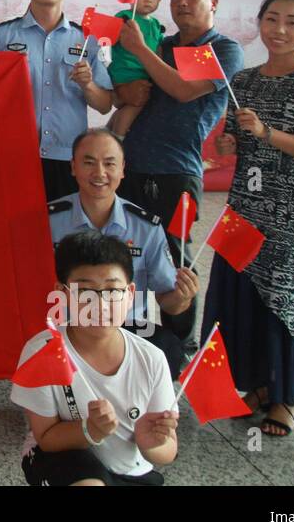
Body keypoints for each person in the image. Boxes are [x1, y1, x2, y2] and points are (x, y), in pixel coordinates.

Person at [203, 0, 294, 437]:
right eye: (272, 20)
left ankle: (285, 396)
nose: (280, 30)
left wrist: (265, 132)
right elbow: (233, 142)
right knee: (243, 299)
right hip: (245, 207)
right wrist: (230, 143)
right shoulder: (242, 81)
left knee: (285, 301)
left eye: (292, 22)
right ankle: (256, 386)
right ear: (260, 23)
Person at [117, 0, 243, 353]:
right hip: (132, 163)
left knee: (174, 256)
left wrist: (141, 50)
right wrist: (128, 81)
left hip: (178, 169)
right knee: (127, 251)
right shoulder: (162, 42)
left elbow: (184, 91)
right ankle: (130, 333)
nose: (181, 4)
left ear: (213, 3)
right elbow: (128, 89)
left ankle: (179, 343)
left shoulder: (222, 48)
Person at [12, 230, 178, 486]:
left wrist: (150, 444)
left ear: (131, 293)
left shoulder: (152, 359)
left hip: (132, 471)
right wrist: (89, 430)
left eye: (112, 291)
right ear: (62, 293)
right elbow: (45, 436)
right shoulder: (43, 351)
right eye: (85, 292)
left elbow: (168, 451)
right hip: (63, 459)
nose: (100, 306)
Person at [48, 128, 197, 379]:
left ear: (123, 169)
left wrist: (183, 297)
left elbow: (167, 301)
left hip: (126, 328)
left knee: (169, 350)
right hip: (68, 327)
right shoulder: (48, 221)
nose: (99, 173)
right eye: (89, 163)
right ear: (73, 167)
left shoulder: (146, 227)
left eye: (109, 163)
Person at [0, 0, 113, 200]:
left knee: (65, 231)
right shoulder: (3, 36)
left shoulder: (87, 40)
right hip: (15, 152)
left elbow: (105, 104)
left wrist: (88, 85)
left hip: (67, 156)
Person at [107, 0, 165, 137]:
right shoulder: (125, 17)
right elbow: (108, 38)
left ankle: (108, 130)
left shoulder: (155, 24)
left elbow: (159, 50)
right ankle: (118, 137)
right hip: (126, 71)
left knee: (126, 107)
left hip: (145, 73)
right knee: (136, 105)